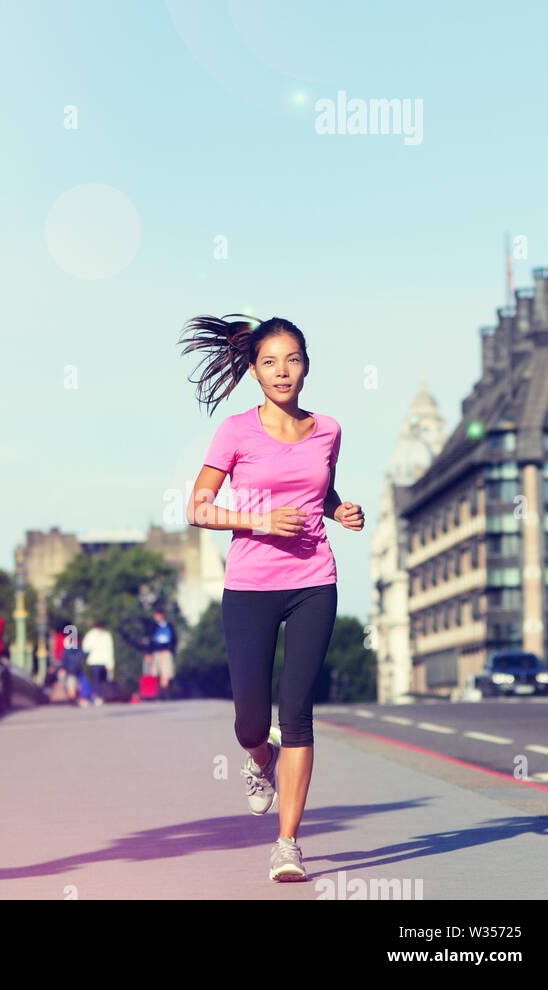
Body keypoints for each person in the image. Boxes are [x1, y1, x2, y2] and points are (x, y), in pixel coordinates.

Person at [179, 313, 364, 884]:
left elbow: (318, 488)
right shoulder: (236, 432)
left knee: (299, 712)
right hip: (251, 586)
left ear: (306, 366)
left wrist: (339, 510)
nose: (282, 371)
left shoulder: (329, 429)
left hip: (314, 582)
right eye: (270, 362)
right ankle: (260, 759)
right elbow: (198, 507)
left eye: (292, 360)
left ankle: (287, 844)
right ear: (255, 372)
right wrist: (259, 520)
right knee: (251, 722)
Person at [146, 610, 178, 701]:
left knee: (166, 674)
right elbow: (150, 641)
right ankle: (156, 695)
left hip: (166, 653)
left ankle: (165, 695)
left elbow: (174, 639)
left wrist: (170, 650)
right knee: (154, 673)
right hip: (156, 653)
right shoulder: (153, 627)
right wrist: (149, 653)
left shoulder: (169, 626)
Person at [81, 619, 113, 705]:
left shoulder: (102, 635)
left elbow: (109, 650)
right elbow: (86, 648)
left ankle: (98, 696)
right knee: (98, 680)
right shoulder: (96, 635)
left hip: (99, 661)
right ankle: (97, 696)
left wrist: (110, 664)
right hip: (97, 661)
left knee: (99, 680)